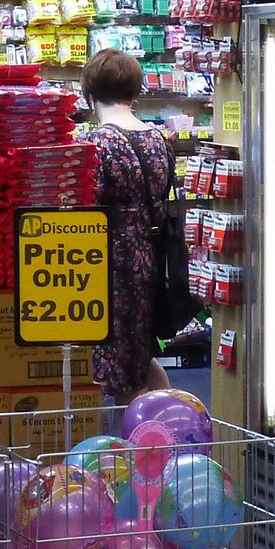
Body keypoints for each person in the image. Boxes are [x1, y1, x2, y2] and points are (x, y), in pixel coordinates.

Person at [79, 48, 173, 403]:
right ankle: (174, 425)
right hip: (149, 260)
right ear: (135, 91)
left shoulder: (95, 143)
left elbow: (84, 207)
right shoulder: (158, 140)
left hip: (106, 266)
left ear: (89, 93)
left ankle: (142, 445)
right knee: (140, 353)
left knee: (119, 369)